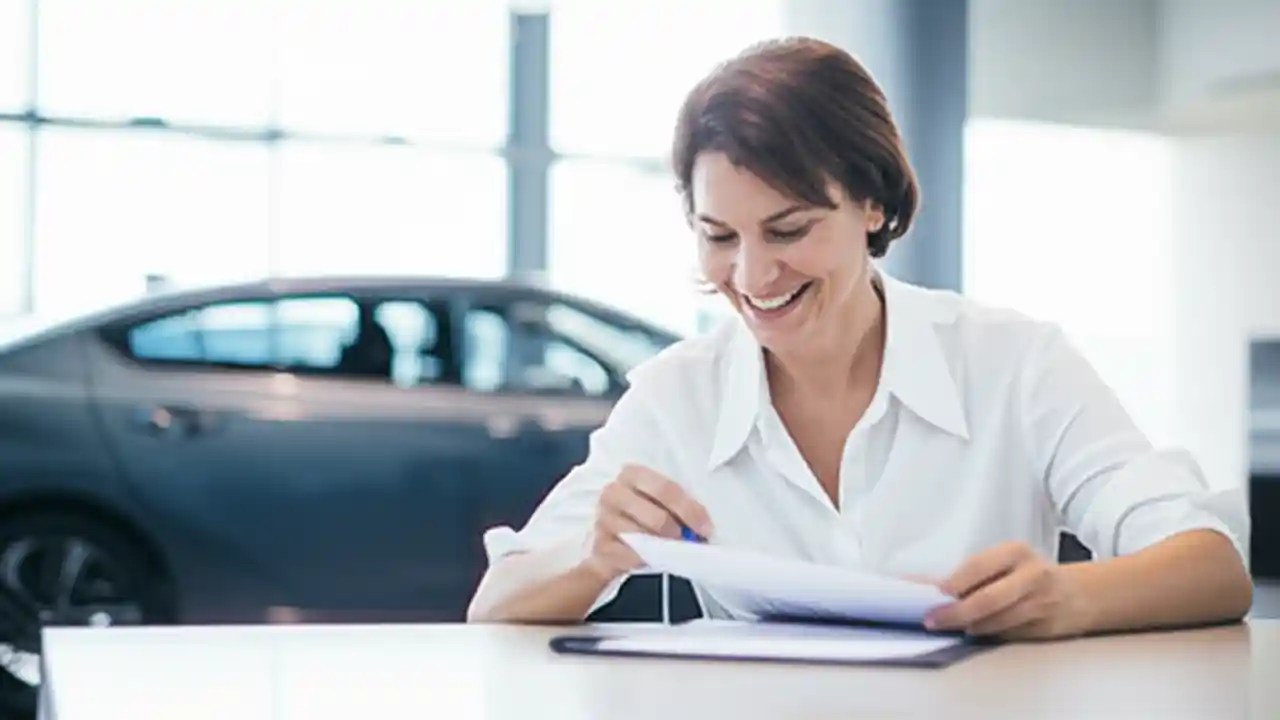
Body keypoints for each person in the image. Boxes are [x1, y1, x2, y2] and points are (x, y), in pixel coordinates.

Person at [467, 37, 1252, 639]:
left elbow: (1213, 568)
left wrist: (1069, 597)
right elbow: (496, 605)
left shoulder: (1014, 364)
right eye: (719, 235)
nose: (751, 274)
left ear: (871, 204)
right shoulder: (679, 393)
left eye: (789, 229)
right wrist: (594, 557)